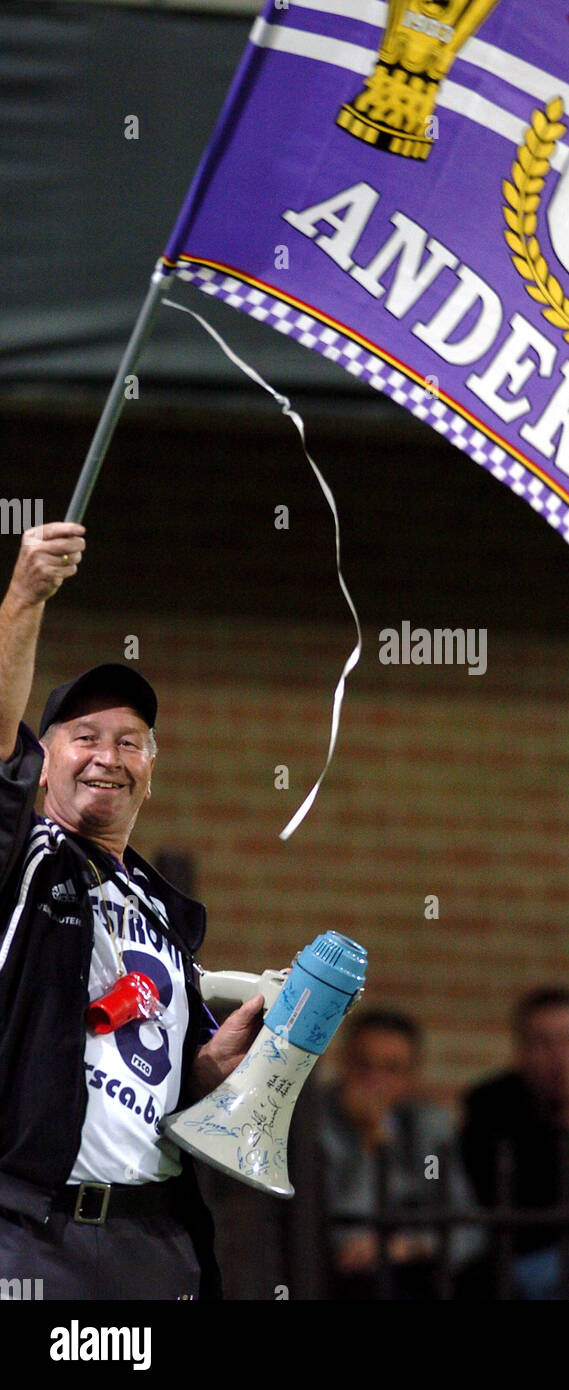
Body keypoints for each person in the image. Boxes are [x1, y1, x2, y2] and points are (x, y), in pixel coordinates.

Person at [0, 520, 265, 1300]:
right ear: (40, 758)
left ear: (152, 769)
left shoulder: (160, 910)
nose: (106, 757)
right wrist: (22, 601)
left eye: (129, 741)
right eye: (83, 736)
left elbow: (160, 1084)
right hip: (33, 1239)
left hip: (156, 1239)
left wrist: (218, 1063)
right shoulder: (22, 860)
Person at [459, 988, 569, 1299]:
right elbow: (502, 1209)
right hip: (518, 1265)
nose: (559, 1057)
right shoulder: (492, 1108)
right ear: (521, 1053)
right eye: (543, 1043)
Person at [318, 1007, 483, 1299]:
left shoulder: (428, 1126)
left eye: (391, 1069)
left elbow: (468, 1232)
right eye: (364, 1065)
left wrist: (409, 1246)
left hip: (416, 1273)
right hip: (341, 1280)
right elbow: (344, 1238)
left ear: (411, 1077)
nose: (374, 1081)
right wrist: (369, 1140)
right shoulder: (320, 1124)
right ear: (344, 1064)